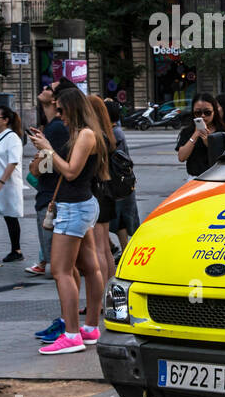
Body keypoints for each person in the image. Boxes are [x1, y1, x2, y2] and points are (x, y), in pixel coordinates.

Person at [27, 87, 107, 355]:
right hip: (80, 205)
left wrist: (48, 148)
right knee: (88, 266)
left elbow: (71, 172)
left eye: (61, 109)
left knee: (61, 271)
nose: (58, 114)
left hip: (74, 206)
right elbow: (47, 169)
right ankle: (90, 328)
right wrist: (45, 151)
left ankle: (72, 334)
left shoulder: (85, 134)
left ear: (73, 108)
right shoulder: (80, 133)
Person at [25, 79, 74, 276]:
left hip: (51, 197)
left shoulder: (55, 128)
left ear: (55, 100)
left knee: (60, 269)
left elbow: (42, 169)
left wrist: (36, 160)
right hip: (55, 194)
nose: (43, 89)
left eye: (48, 88)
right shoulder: (54, 126)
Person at [85, 96, 118, 301]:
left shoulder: (95, 137)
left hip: (96, 192)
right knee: (105, 247)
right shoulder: (108, 135)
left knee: (98, 248)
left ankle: (100, 299)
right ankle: (111, 295)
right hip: (106, 192)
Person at [104, 99, 140, 250]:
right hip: (119, 182)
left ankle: (127, 251)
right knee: (120, 220)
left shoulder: (115, 134)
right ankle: (121, 249)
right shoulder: (114, 131)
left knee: (122, 220)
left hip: (119, 183)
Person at [0, 105, 25, 263]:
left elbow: (13, 161)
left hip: (8, 184)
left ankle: (16, 250)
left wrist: (1, 181)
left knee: (10, 216)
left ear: (5, 120)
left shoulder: (12, 138)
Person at [175, 93, 225, 177]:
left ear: (214, 112)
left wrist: (209, 143)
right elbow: (181, 157)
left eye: (207, 112)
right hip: (195, 178)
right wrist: (195, 136)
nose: (203, 116)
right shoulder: (188, 132)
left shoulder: (222, 131)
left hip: (217, 177)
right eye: (198, 112)